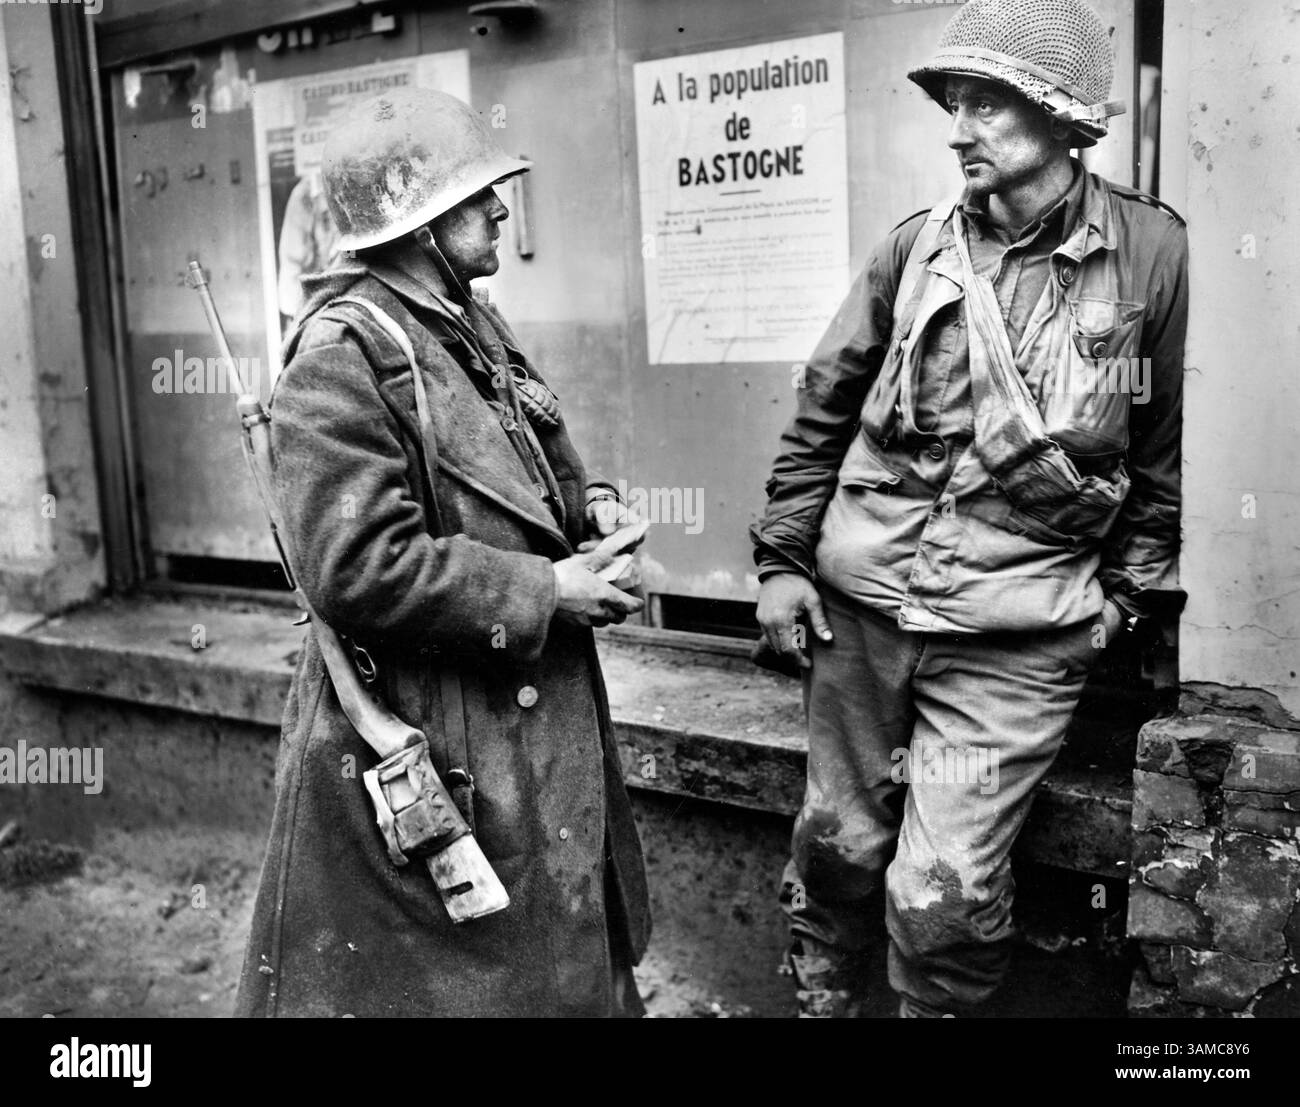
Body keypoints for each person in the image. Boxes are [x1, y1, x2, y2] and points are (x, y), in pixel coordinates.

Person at [751, 0, 1187, 1017]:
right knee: (836, 849)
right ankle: (818, 1005)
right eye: (955, 104)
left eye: (985, 105)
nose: (958, 129)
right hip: (861, 615)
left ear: (1059, 117)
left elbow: (1164, 451)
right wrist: (779, 561)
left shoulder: (1151, 258)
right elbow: (822, 408)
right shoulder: (914, 249)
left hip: (1013, 635)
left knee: (939, 891)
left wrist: (1122, 602)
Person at [235, 88, 651, 1017]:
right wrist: (547, 590)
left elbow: (526, 468)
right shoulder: (341, 357)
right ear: (420, 223)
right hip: (446, 731)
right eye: (477, 197)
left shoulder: (467, 321)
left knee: (559, 969)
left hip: (523, 728)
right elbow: (357, 568)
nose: (501, 209)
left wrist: (594, 514)